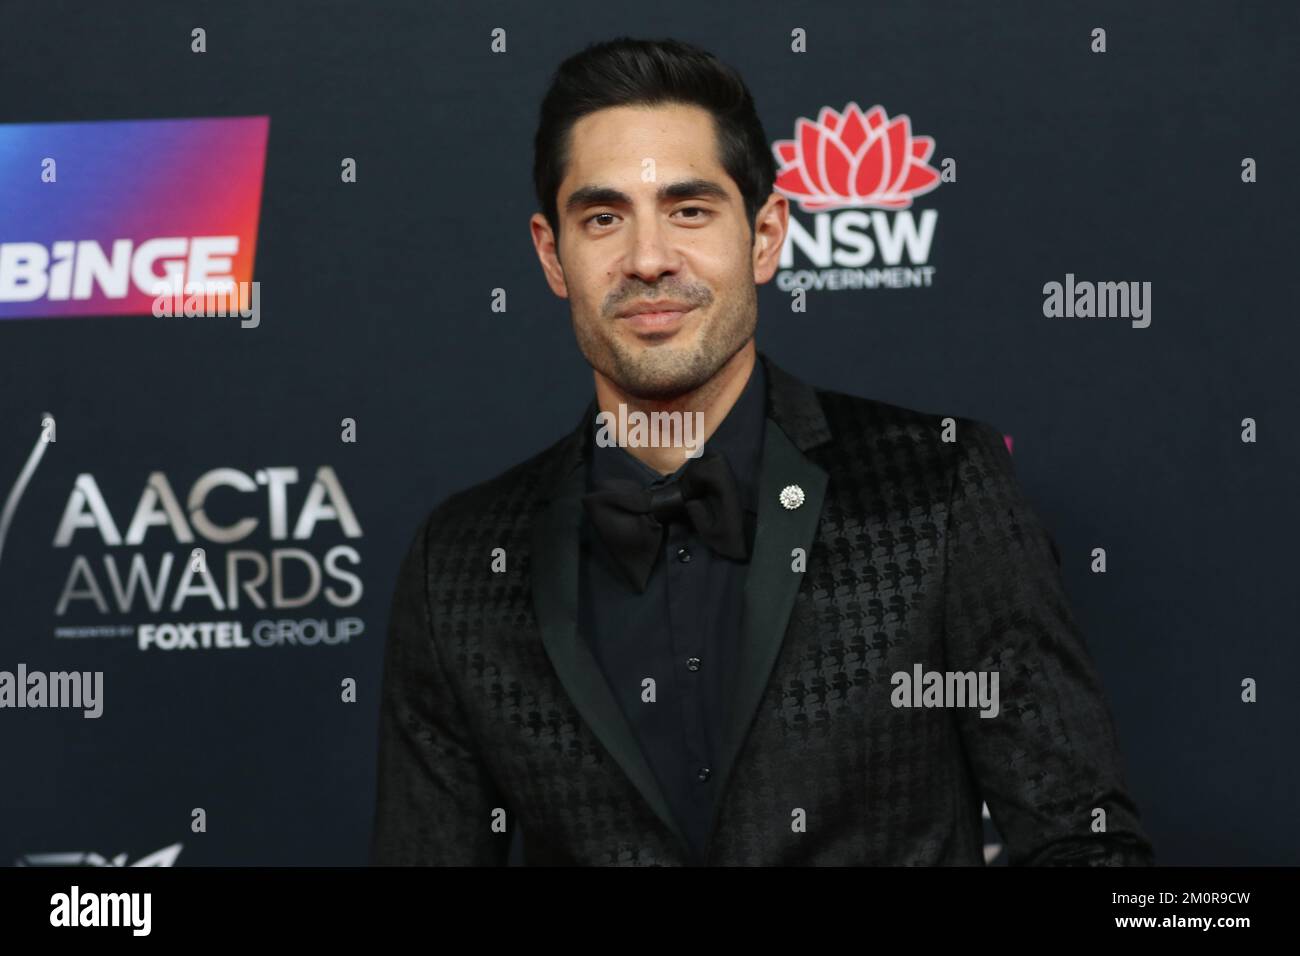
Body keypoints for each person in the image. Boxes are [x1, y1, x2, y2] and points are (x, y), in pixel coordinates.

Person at [371, 36, 1154, 866]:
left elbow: (1084, 844)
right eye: (603, 218)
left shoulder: (940, 490)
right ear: (550, 253)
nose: (647, 260)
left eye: (690, 209)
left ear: (767, 234)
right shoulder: (460, 564)